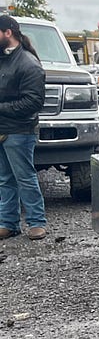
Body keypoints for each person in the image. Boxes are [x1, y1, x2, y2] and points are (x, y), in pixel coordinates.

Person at [0, 15, 48, 240]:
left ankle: (37, 222)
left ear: (8, 33)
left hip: (19, 131)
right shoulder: (4, 59)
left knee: (25, 177)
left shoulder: (28, 63)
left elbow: (33, 102)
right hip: (4, 129)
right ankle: (8, 223)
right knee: (4, 179)